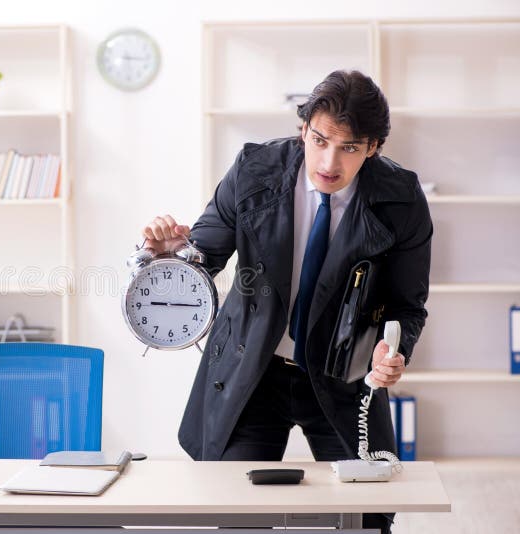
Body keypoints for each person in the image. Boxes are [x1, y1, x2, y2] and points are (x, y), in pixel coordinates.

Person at [141, 70, 432, 533]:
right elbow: (203, 259)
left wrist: (393, 350)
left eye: (349, 147)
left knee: (369, 516)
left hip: (341, 375)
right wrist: (165, 259)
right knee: (236, 514)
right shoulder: (255, 169)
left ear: (373, 147)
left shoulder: (402, 199)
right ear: (304, 129)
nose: (329, 161)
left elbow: (407, 305)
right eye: (319, 140)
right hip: (253, 371)